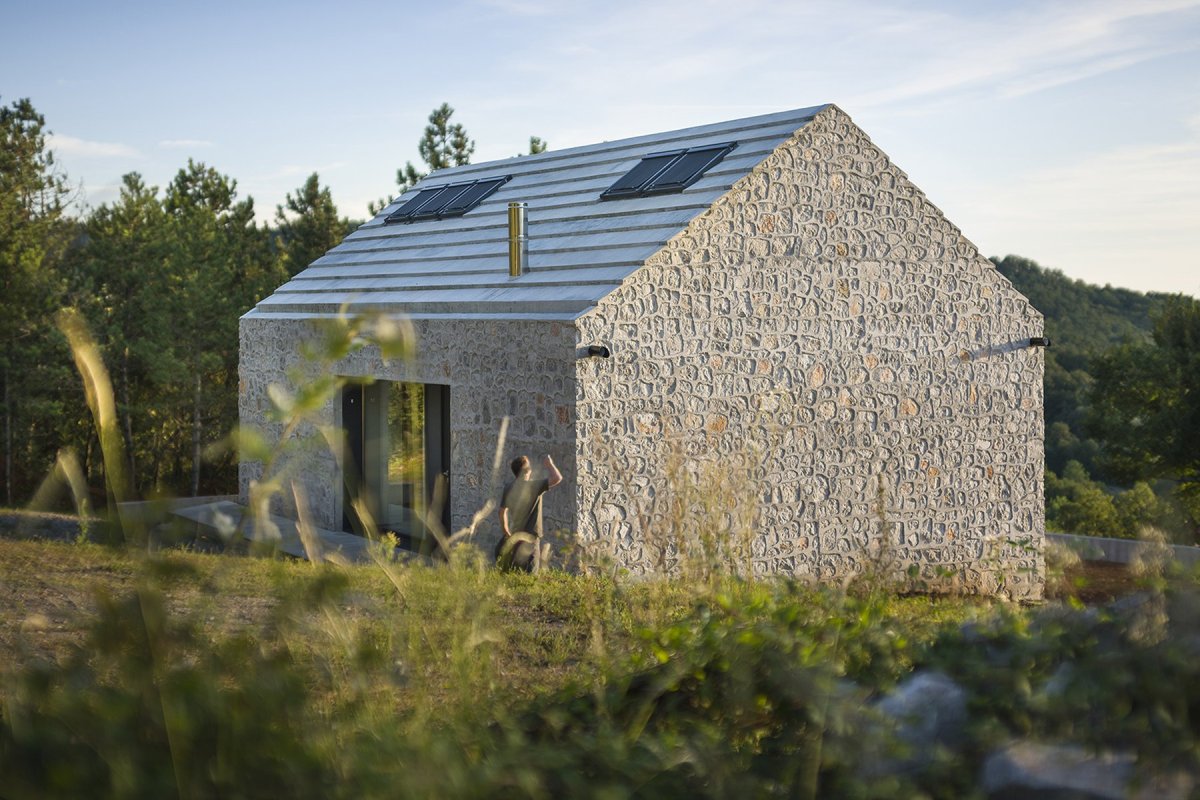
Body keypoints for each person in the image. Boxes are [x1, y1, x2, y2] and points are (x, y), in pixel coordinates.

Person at [495, 453, 562, 572]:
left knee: (515, 570)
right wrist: (549, 464)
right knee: (530, 572)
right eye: (528, 466)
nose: (531, 468)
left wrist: (506, 532)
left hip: (515, 535)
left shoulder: (509, 487)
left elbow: (501, 512)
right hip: (531, 538)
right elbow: (557, 478)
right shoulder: (533, 486)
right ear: (525, 470)